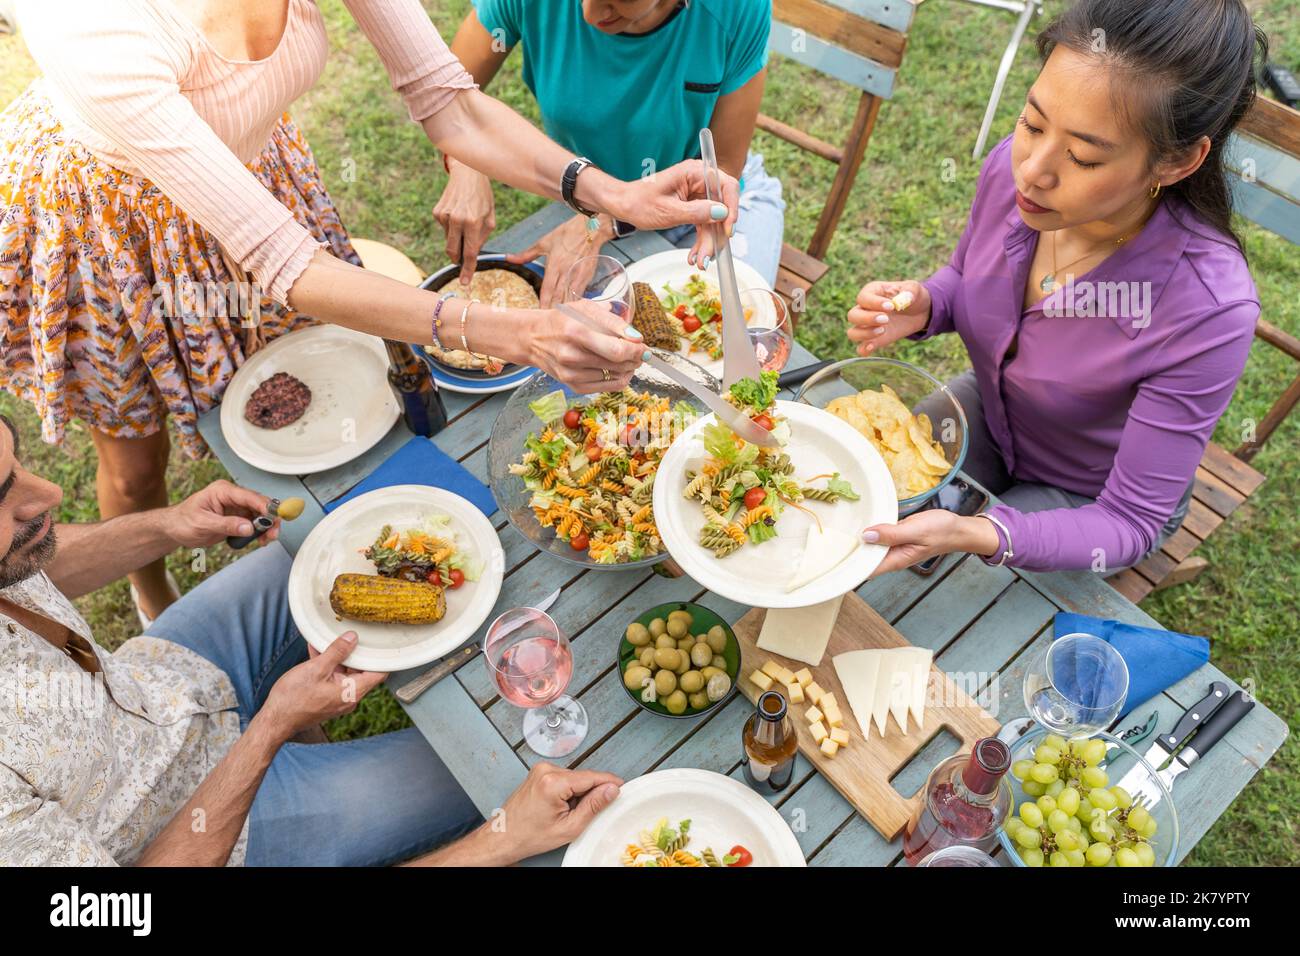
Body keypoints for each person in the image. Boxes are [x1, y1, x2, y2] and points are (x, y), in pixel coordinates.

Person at [0, 0, 738, 624]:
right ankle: (149, 581)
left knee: (296, 391)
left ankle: (289, 535)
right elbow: (286, 263)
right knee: (135, 456)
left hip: (257, 165)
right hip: (113, 213)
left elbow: (449, 102)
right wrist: (517, 333)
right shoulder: (91, 26)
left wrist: (612, 196)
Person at [0, 413, 622, 865]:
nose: (48, 494)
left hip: (164, 682)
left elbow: (33, 562)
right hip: (195, 836)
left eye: (17, 469)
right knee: (503, 765)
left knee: (312, 550)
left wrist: (167, 525)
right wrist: (271, 728)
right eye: (4, 500)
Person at [850, 0, 1265, 576]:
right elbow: (966, 278)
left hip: (1089, 495)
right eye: (1032, 122)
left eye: (1082, 156)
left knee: (950, 584)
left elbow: (1129, 519)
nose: (1033, 170)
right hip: (991, 415)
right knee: (857, 488)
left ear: (1175, 162)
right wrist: (929, 305)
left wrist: (985, 533)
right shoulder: (1013, 174)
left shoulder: (1209, 308)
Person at [434, 0, 784, 304]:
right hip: (586, 200)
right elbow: (446, 96)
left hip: (699, 204)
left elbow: (722, 165)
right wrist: (466, 162)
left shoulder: (737, 7)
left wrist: (604, 221)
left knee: (728, 333)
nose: (588, 13)